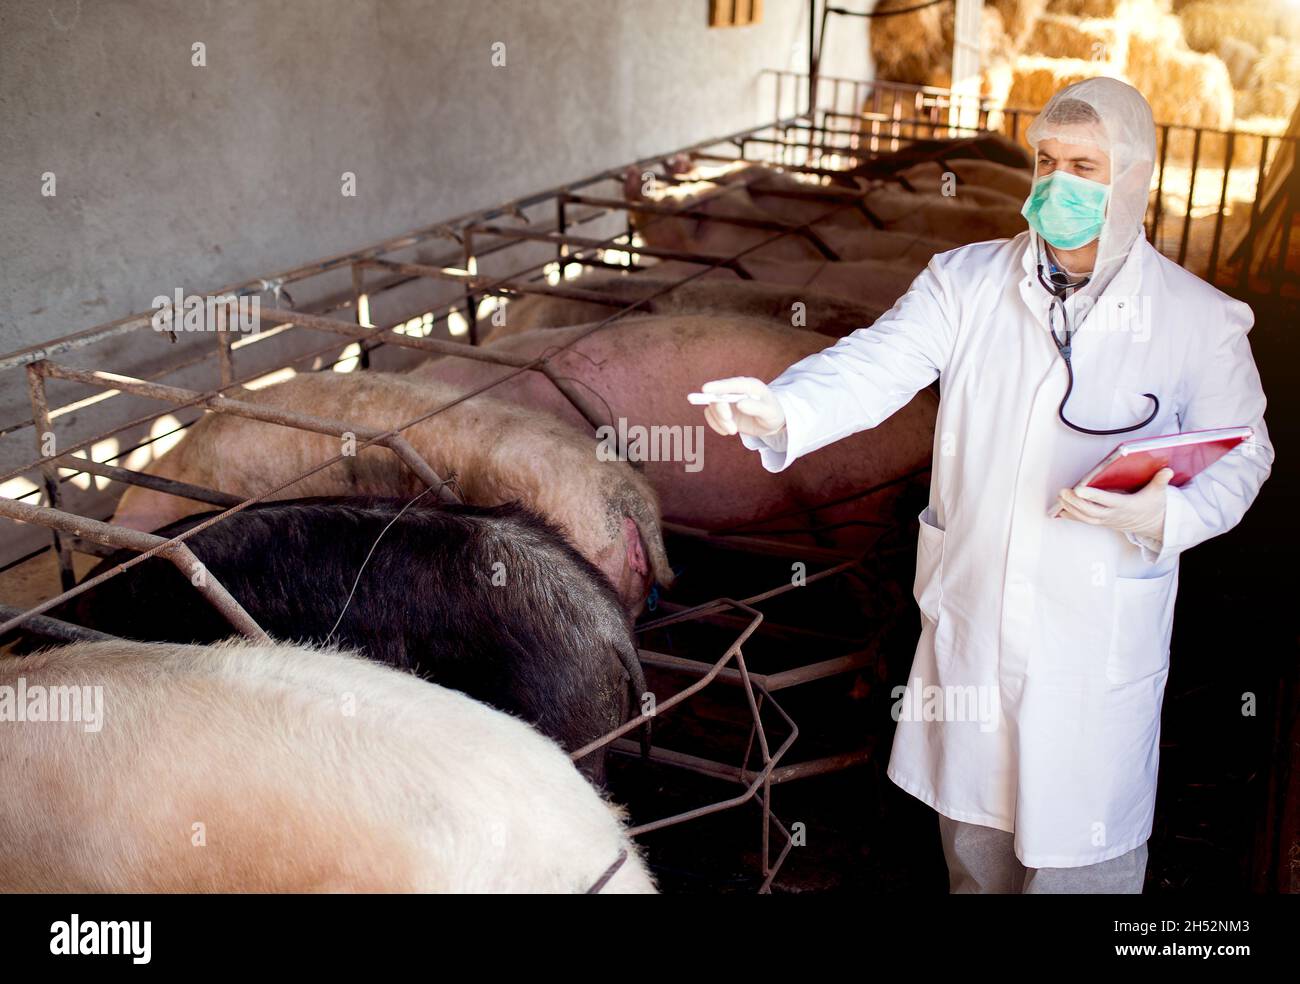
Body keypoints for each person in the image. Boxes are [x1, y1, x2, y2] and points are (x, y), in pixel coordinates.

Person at [698, 78, 1273, 894]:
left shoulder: (1197, 318)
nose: (1057, 184)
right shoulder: (965, 282)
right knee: (973, 860)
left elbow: (1245, 455)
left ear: (1134, 179)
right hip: (973, 630)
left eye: (1084, 165)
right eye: (1046, 161)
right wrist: (781, 405)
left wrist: (1168, 512)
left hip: (1093, 646)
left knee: (1085, 867)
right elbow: (876, 363)